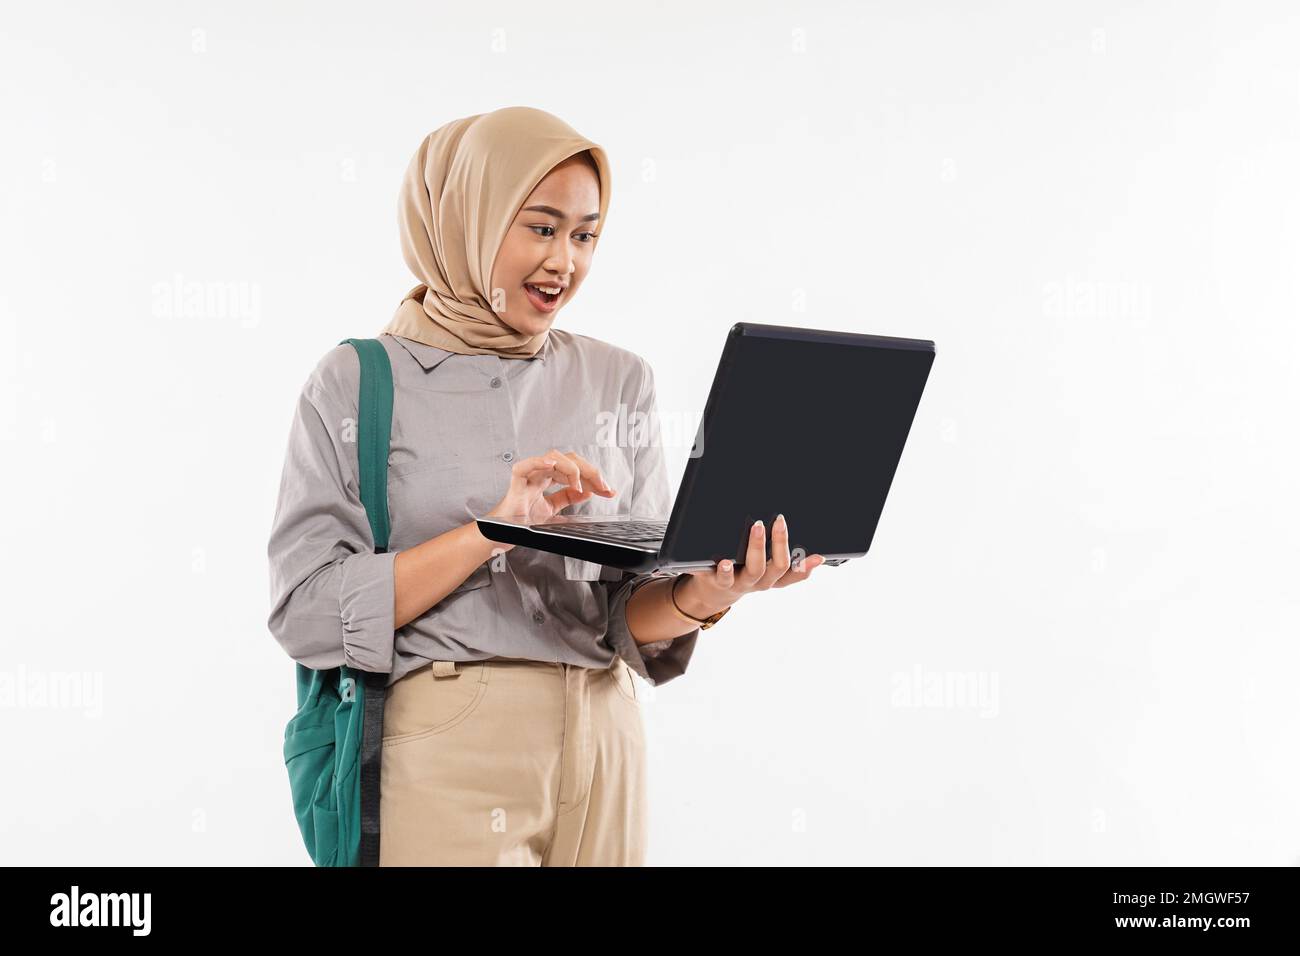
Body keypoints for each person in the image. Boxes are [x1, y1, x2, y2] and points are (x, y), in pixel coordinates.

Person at [267, 106, 824, 866]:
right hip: (449, 745)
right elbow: (304, 611)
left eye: (585, 234)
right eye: (540, 227)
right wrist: (491, 529)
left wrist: (712, 592)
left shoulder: (617, 378)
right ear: (465, 217)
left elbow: (627, 616)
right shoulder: (356, 383)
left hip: (607, 739)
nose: (566, 260)